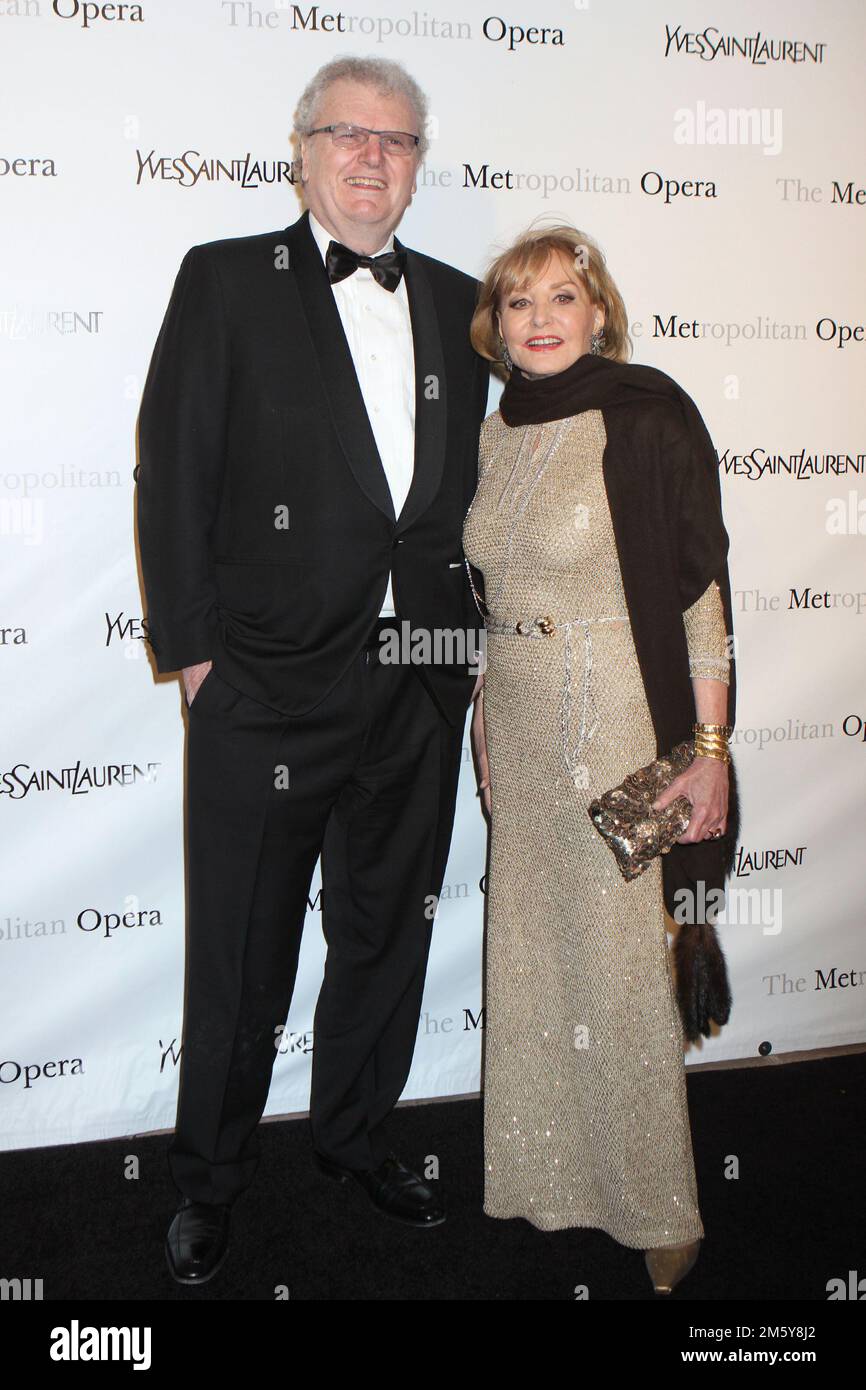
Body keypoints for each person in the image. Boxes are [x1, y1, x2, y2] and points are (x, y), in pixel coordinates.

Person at [137, 55, 489, 1285]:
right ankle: (208, 1179)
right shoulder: (230, 280)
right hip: (264, 688)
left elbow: (467, 507)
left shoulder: (457, 302)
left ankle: (353, 1137)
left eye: (394, 140)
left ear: (415, 163)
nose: (369, 157)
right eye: (346, 133)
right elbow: (172, 470)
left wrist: (466, 662)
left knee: (385, 933)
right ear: (301, 150)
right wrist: (193, 660)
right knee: (240, 954)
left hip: (416, 675)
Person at [463, 223, 738, 1295]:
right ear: (498, 324)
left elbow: (695, 591)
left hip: (616, 723)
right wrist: (484, 715)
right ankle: (549, 1176)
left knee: (621, 974)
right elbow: (490, 596)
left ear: (598, 314)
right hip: (519, 727)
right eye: (520, 301)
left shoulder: (645, 414)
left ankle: (661, 1205)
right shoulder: (495, 431)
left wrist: (705, 748)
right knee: (532, 961)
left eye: (561, 299)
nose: (540, 319)